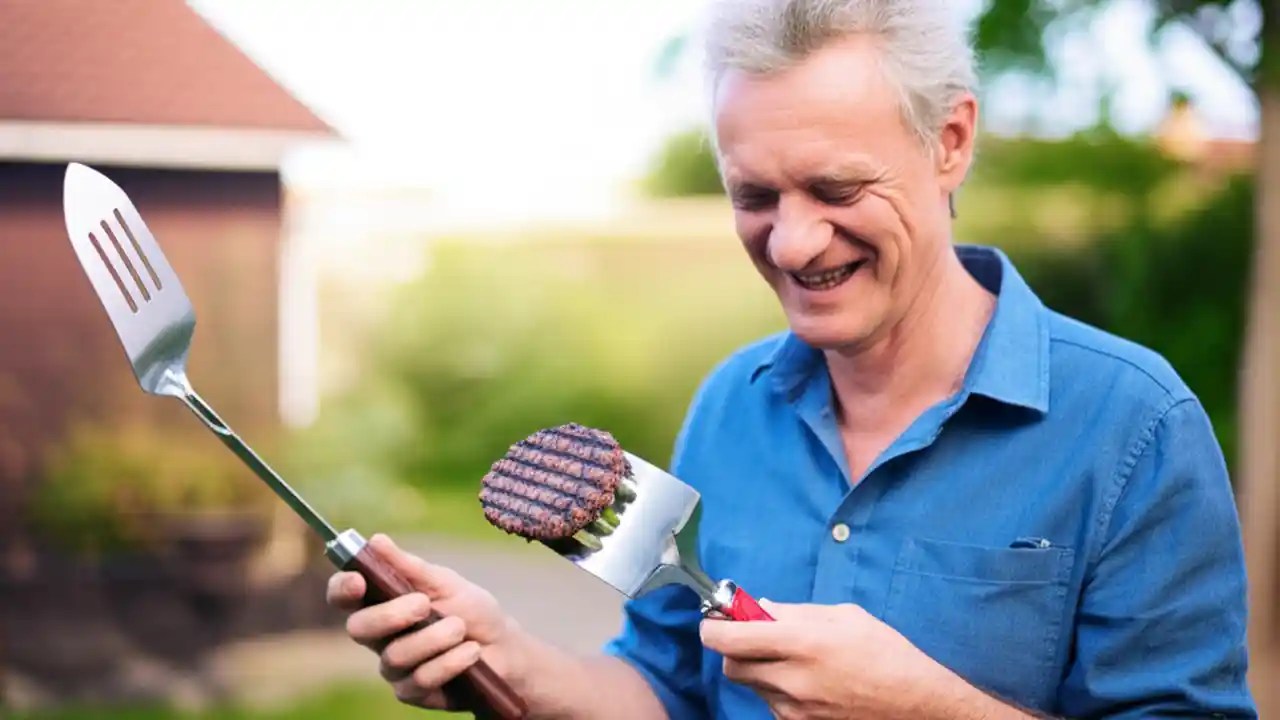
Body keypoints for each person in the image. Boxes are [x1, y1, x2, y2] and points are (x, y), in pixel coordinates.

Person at [325, 0, 1258, 717]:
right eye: (755, 194)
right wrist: (508, 660)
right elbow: (665, 688)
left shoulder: (1134, 429)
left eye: (837, 186)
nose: (794, 243)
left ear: (951, 142)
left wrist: (925, 708)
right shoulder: (732, 404)